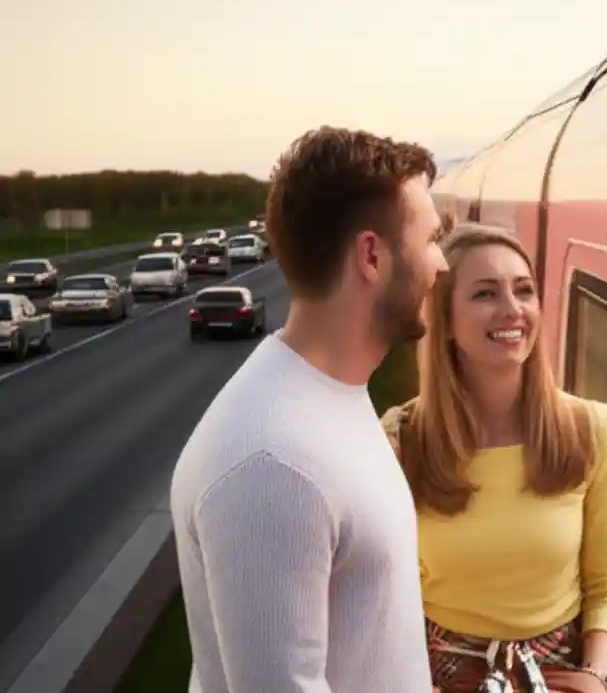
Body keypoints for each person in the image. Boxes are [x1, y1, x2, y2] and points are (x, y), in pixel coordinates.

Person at [169, 126, 450, 692]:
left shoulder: (329, 397)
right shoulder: (272, 463)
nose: (441, 264)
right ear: (371, 255)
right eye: (432, 239)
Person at [380, 224, 607, 693]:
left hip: (560, 674)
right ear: (447, 322)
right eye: (485, 294)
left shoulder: (594, 428)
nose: (513, 309)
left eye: (524, 291)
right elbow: (385, 597)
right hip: (441, 678)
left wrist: (598, 676)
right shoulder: (401, 438)